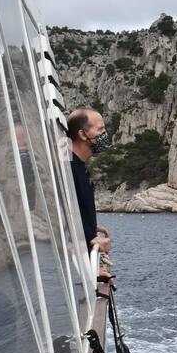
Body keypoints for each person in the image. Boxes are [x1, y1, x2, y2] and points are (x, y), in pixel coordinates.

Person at [67, 108, 112, 263]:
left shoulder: (79, 166)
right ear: (82, 134)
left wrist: (89, 227)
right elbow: (62, 219)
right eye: (100, 129)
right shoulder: (70, 168)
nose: (105, 134)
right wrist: (91, 239)